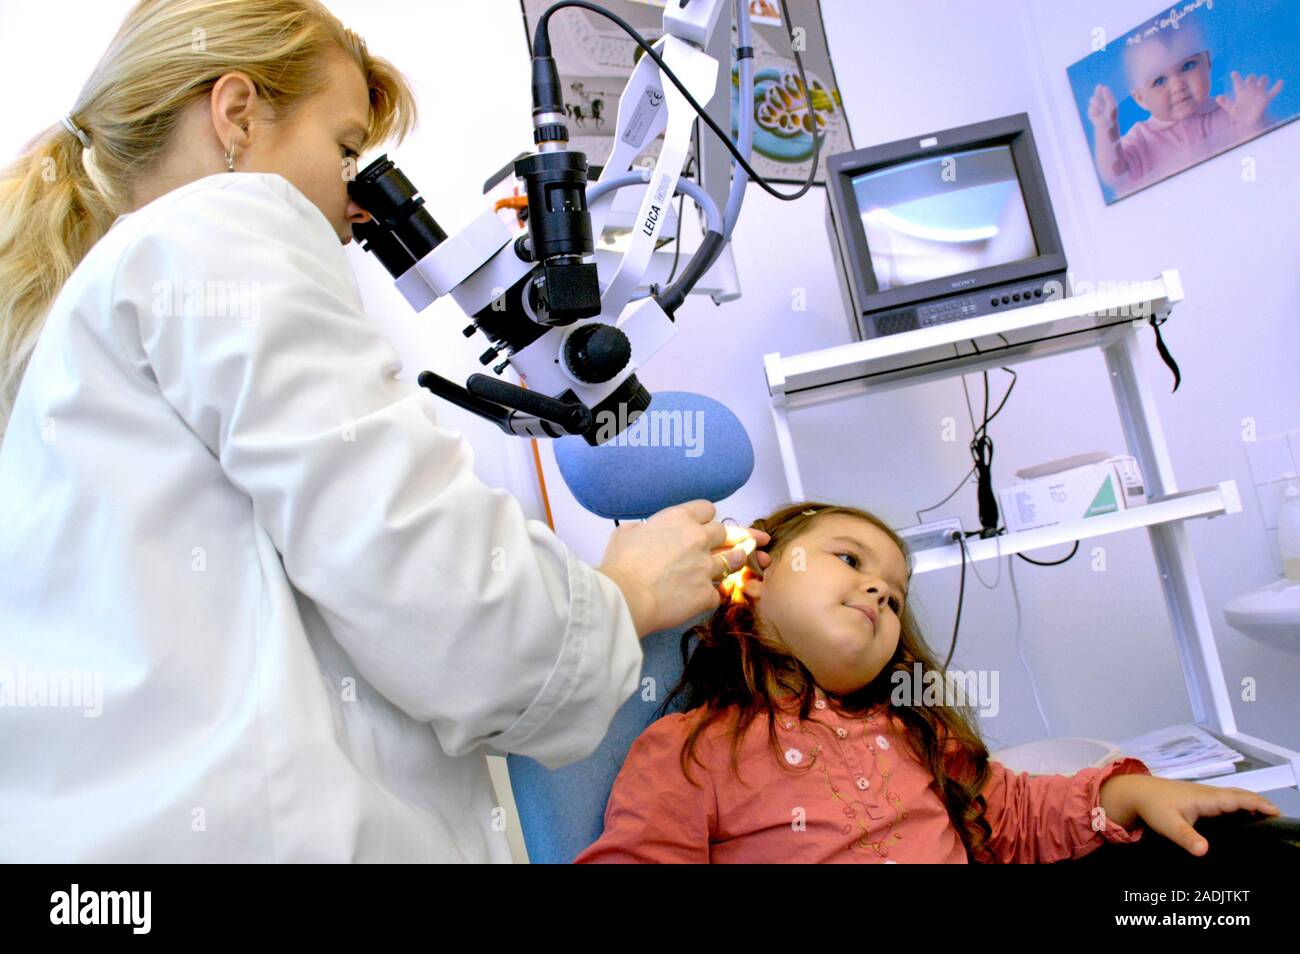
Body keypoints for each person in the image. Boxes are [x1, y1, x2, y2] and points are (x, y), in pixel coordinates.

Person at [0, 0, 770, 862]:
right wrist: (623, 597)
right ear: (237, 114)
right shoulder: (220, 230)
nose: (361, 204)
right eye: (344, 150)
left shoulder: (80, 326)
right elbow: (434, 583)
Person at [574, 502, 1282, 863]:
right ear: (752, 579)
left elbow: (1019, 817)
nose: (880, 590)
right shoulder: (690, 751)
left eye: (896, 592)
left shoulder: (911, 731)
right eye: (850, 560)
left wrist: (1131, 792)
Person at [1088, 18, 1283, 197]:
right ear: (1140, 98)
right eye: (1159, 80)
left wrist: (1253, 123)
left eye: (1187, 66)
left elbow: (1269, 160)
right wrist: (1107, 132)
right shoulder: (1141, 140)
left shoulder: (1231, 113)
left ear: (1207, 63)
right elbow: (1114, 176)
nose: (1177, 85)